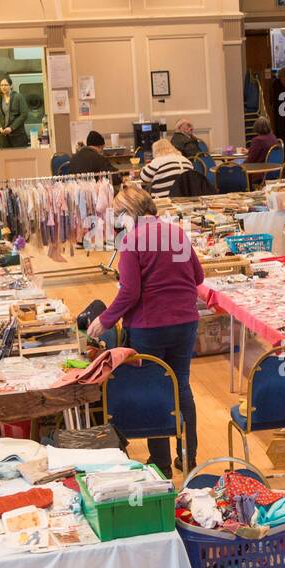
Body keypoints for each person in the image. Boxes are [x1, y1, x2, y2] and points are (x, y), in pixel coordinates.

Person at [87, 187, 203, 477]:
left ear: (129, 214)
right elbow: (198, 276)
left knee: (156, 389)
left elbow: (130, 292)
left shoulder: (131, 241)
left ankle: (161, 464)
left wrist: (105, 318)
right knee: (181, 386)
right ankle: (188, 457)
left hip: (150, 326)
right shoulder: (177, 233)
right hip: (186, 322)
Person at [0, 77, 29, 148]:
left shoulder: (18, 97)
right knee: (5, 157)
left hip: (18, 135)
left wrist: (11, 128)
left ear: (11, 86)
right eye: (1, 85)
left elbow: (24, 114)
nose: (3, 87)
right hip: (4, 136)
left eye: (6, 85)